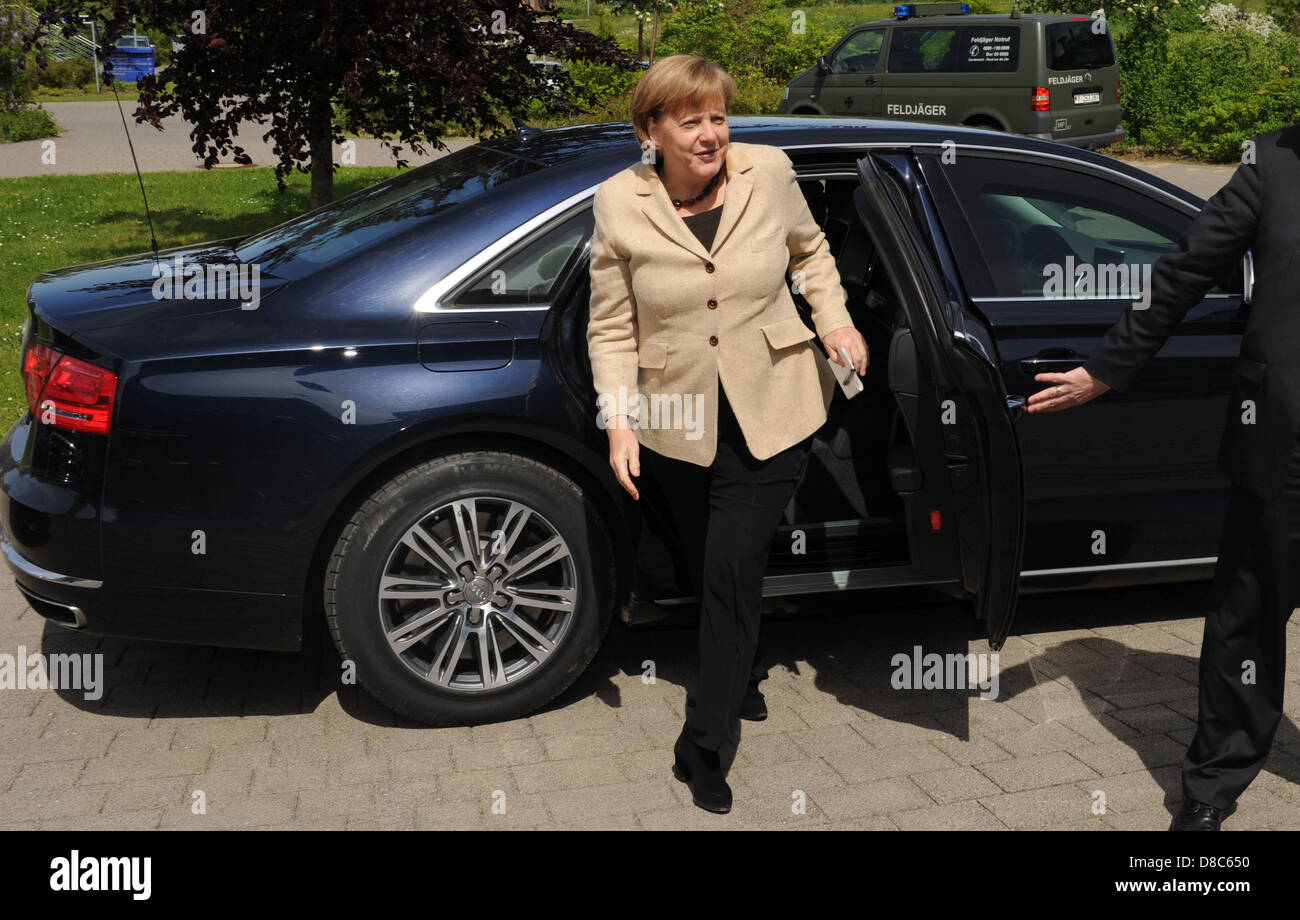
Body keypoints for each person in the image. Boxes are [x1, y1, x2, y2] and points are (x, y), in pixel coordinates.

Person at [586, 55, 867, 813]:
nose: (711, 134)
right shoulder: (617, 203)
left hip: (772, 404)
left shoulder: (769, 172)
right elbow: (611, 327)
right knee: (700, 562)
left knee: (728, 566)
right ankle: (741, 670)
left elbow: (810, 252)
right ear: (652, 131)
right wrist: (619, 421)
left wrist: (834, 320)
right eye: (691, 121)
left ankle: (704, 745)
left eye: (718, 117)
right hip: (674, 417)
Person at [1026, 125, 1300, 831]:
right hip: (1284, 443)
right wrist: (1108, 366)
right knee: (1248, 619)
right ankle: (1212, 786)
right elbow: (1184, 269)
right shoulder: (1273, 161)